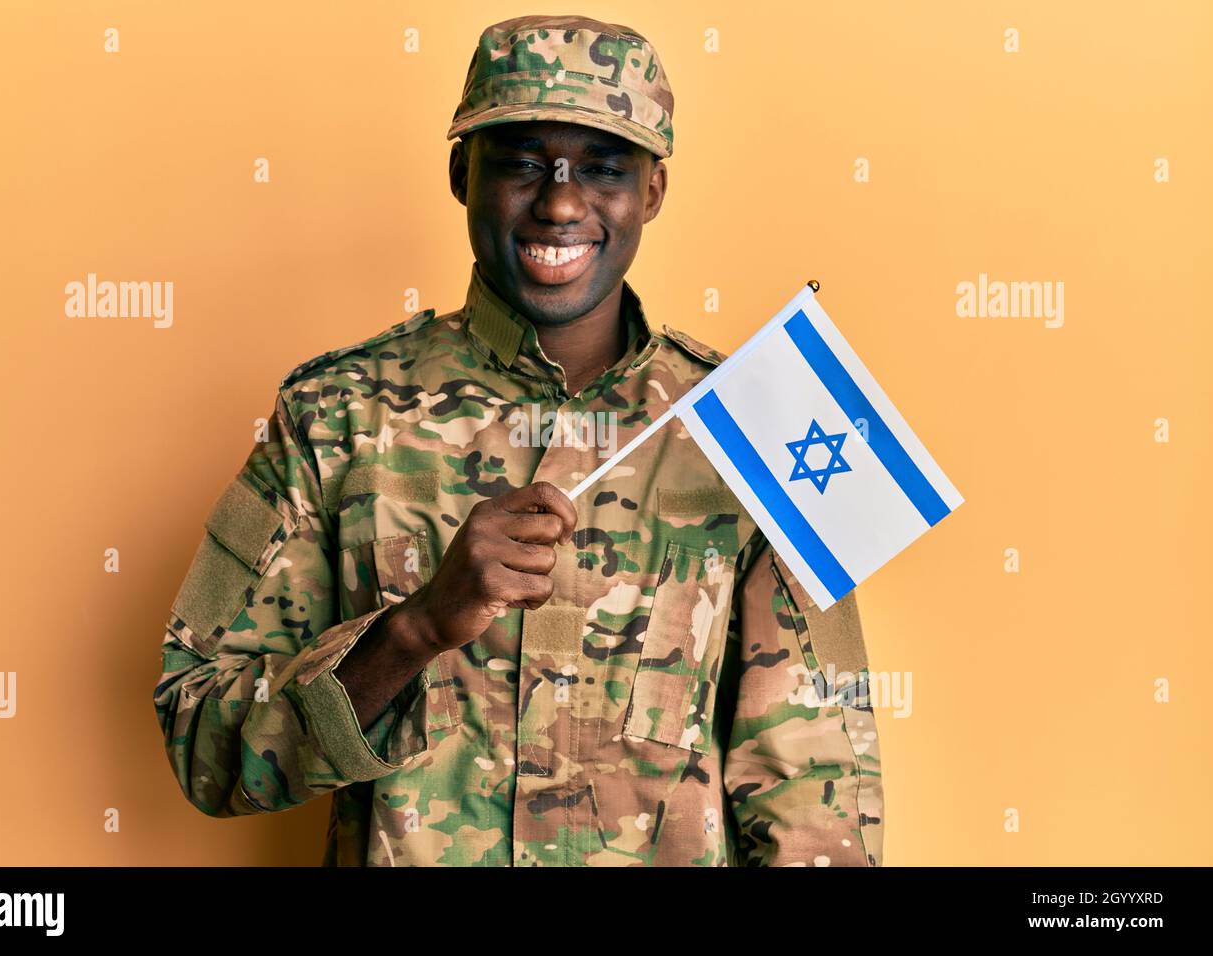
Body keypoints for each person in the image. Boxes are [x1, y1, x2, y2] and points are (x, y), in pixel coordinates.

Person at [153, 13, 884, 867]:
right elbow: (204, 747)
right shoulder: (336, 417)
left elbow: (817, 799)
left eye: (605, 169)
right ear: (464, 173)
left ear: (651, 192)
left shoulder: (754, 428)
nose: (562, 202)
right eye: (524, 163)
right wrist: (415, 629)